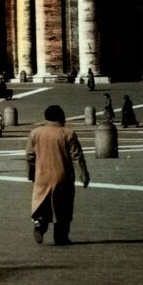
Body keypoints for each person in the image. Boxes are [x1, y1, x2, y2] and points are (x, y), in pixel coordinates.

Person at [26, 104, 90, 245]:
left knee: (42, 202)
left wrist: (31, 174)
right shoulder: (68, 133)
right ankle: (61, 237)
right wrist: (84, 174)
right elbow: (77, 156)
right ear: (61, 117)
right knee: (63, 207)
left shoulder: (35, 133)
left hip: (42, 175)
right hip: (62, 176)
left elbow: (30, 156)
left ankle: (40, 224)